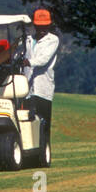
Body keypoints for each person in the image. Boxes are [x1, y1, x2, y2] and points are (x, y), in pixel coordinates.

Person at [24, 9, 59, 146]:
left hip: (43, 89)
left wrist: (28, 62)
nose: (42, 29)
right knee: (28, 122)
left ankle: (44, 151)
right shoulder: (28, 40)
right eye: (39, 26)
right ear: (35, 25)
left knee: (43, 124)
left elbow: (43, 59)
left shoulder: (53, 40)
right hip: (27, 89)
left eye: (45, 26)